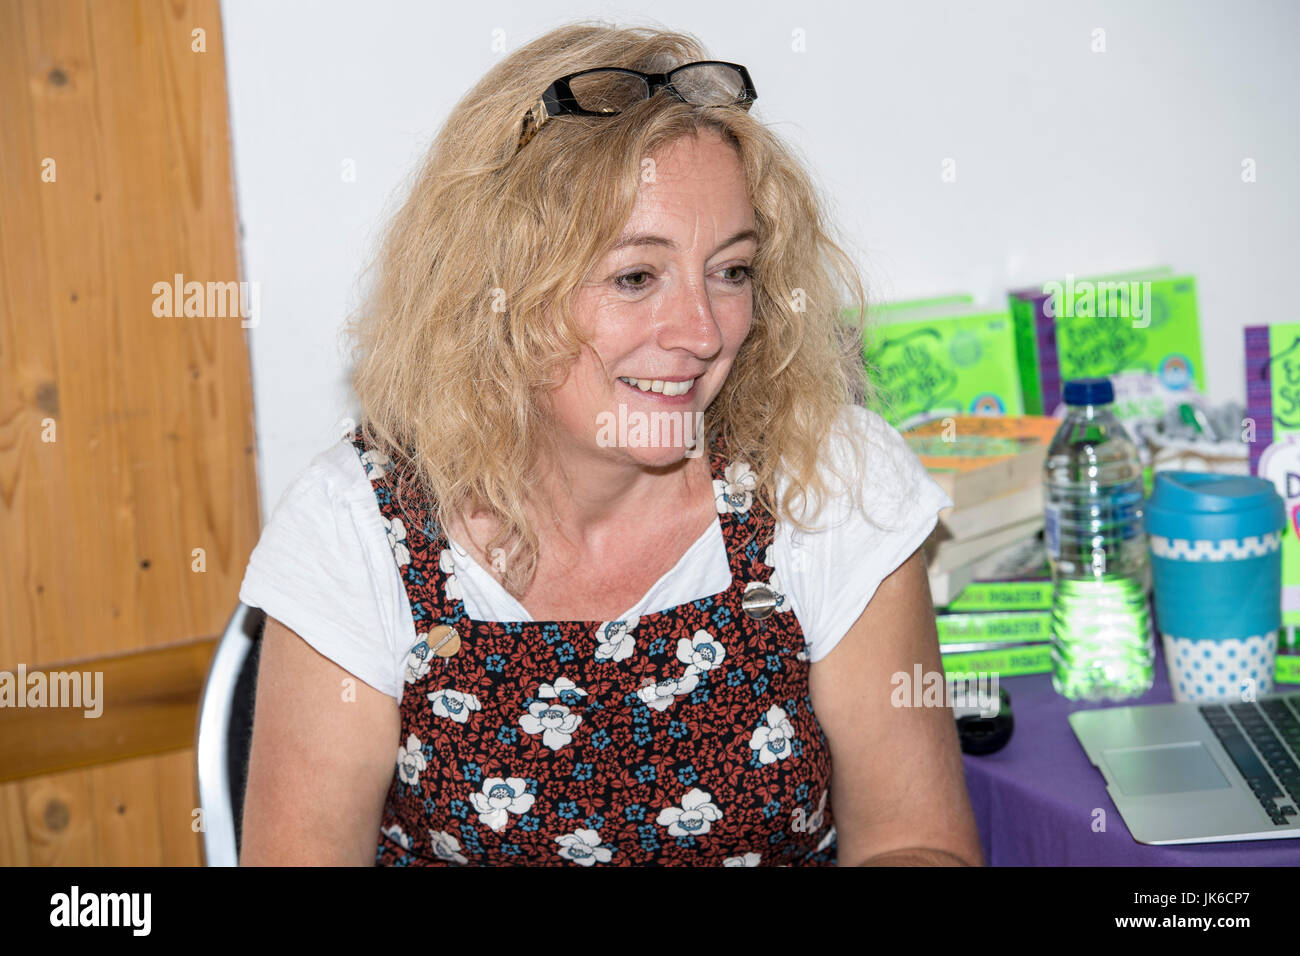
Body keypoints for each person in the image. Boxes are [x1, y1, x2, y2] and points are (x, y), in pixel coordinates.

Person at [237, 21, 982, 867]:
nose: (702, 332)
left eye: (731, 271)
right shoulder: (357, 529)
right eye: (636, 277)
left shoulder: (826, 479)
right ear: (498, 293)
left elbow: (918, 845)